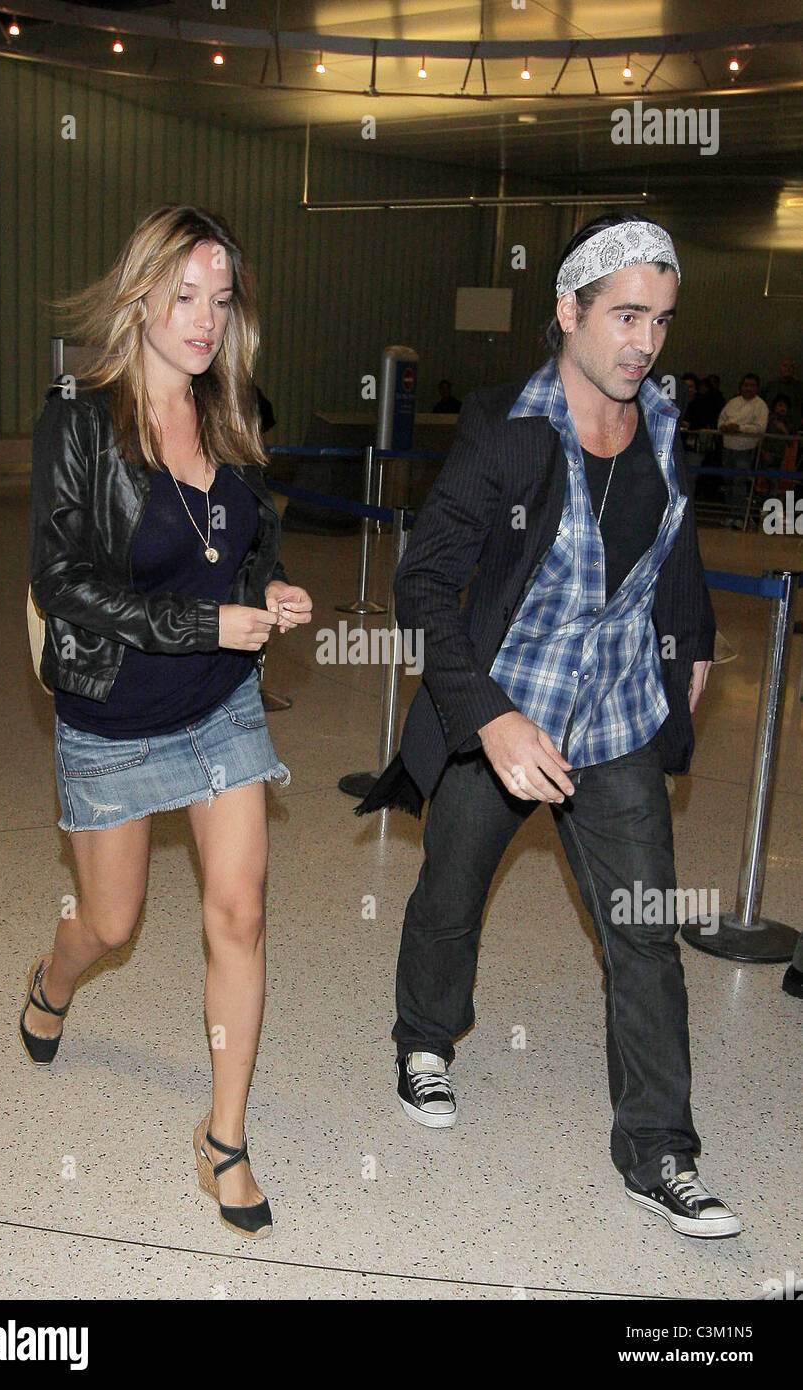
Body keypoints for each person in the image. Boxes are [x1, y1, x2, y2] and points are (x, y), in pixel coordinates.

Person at [358, 212, 741, 1239]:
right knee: (451, 889)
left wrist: (689, 636)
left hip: (612, 711)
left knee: (642, 933)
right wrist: (485, 717)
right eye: (622, 315)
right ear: (564, 311)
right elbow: (425, 583)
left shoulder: (660, 421)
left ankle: (658, 1150)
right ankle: (423, 1037)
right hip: (506, 702)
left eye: (658, 320)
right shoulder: (503, 430)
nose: (643, 342)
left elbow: (673, 547)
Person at [24, 204, 312, 1239]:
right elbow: (59, 580)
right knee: (110, 923)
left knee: (238, 914)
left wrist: (269, 588)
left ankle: (223, 1137)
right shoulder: (79, 416)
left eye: (220, 298)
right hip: (113, 712)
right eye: (183, 295)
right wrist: (204, 618)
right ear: (139, 293)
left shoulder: (234, 410)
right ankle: (51, 981)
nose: (202, 319)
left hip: (218, 701)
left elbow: (250, 533)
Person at [717, 374, 769, 527]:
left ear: (757, 388)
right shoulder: (733, 402)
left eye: (752, 385)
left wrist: (739, 428)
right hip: (728, 447)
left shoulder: (760, 405)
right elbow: (721, 419)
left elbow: (760, 427)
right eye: (745, 385)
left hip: (746, 449)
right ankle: (730, 514)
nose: (748, 388)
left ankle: (739, 517)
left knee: (740, 483)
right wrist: (723, 427)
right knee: (728, 483)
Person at [763, 357, 803, 434]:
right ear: (780, 368)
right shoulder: (770, 386)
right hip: (771, 427)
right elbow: (762, 406)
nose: (788, 369)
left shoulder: (800, 388)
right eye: (785, 366)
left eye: (791, 367)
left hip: (794, 428)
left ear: (794, 370)